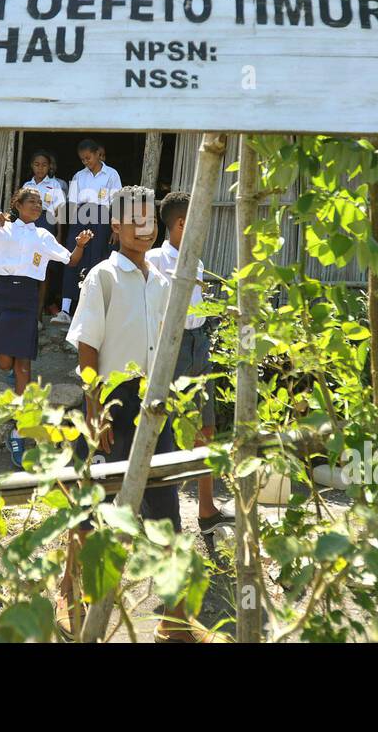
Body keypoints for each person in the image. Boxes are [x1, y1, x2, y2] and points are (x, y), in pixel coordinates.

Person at [57, 185, 223, 643]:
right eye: (135, 219)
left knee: (167, 515)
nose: (145, 227)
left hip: (154, 406)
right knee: (90, 516)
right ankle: (71, 604)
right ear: (116, 226)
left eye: (150, 218)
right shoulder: (103, 277)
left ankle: (175, 622)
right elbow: (88, 346)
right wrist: (95, 411)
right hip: (110, 402)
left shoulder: (163, 282)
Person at [0, 187, 92, 467]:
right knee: (5, 364)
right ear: (16, 204)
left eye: (40, 203)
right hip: (4, 295)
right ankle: (14, 382)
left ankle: (18, 434)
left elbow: (71, 260)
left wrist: (79, 244)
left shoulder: (43, 236)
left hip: (29, 299)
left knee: (23, 369)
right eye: (32, 201)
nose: (37, 206)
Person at [145, 191, 236, 538]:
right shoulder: (154, 260)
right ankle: (155, 514)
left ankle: (207, 510)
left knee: (206, 428)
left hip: (200, 344)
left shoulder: (195, 261)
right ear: (182, 223)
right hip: (172, 347)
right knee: (161, 428)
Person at [53, 138, 121, 326]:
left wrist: (116, 228)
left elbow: (116, 201)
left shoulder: (111, 174)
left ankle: (93, 311)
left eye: (88, 158)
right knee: (73, 258)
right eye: (82, 159)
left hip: (103, 218)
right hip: (80, 217)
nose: (86, 162)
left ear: (98, 154)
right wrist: (71, 228)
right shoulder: (78, 176)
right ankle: (66, 309)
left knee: (98, 259)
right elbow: (73, 203)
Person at [22, 149, 68, 322]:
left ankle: (38, 315)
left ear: (49, 167)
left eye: (44, 165)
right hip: (28, 227)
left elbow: (59, 213)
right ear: (31, 166)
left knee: (44, 270)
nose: (40, 168)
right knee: (28, 267)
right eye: (36, 164)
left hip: (46, 225)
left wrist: (59, 235)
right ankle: (26, 312)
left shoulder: (55, 185)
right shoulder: (27, 186)